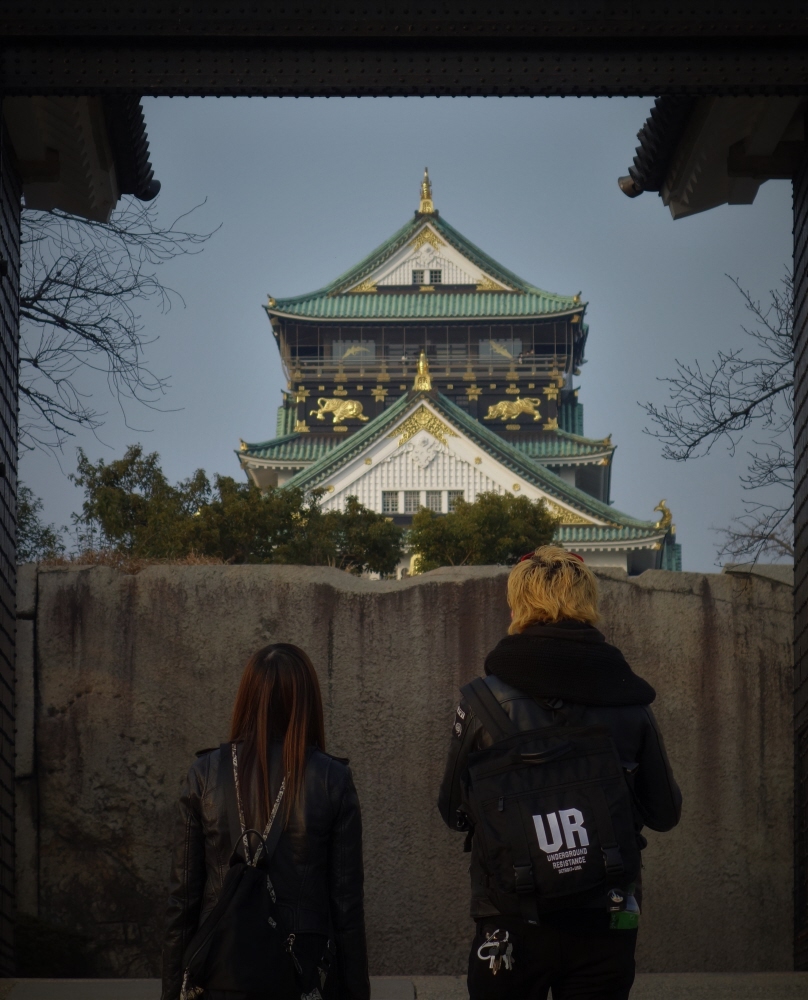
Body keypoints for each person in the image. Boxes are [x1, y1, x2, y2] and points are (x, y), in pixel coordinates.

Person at [438, 546, 682, 1000]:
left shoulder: (482, 702)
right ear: (588, 604)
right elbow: (665, 812)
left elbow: (452, 811)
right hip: (604, 919)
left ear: (517, 606)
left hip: (509, 920)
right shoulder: (630, 699)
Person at [161, 642, 370, 1000]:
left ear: (247, 697)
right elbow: (346, 907)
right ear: (306, 703)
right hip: (301, 977)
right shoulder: (331, 778)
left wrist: (171, 991)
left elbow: (182, 902)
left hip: (221, 974)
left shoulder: (204, 774)